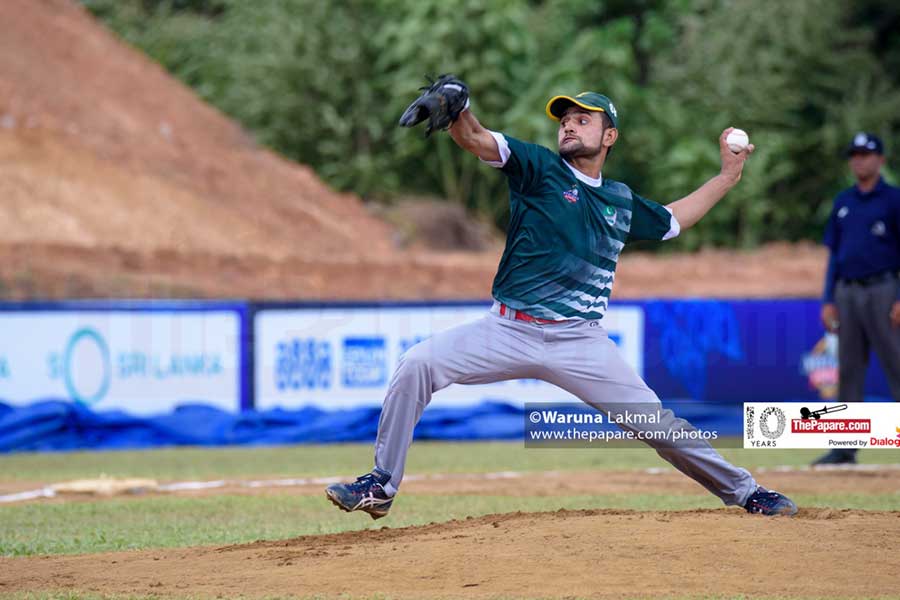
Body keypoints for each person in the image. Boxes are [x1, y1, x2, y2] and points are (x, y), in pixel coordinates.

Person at [326, 83, 798, 518]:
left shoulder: (620, 201)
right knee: (417, 364)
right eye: (565, 119)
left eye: (583, 119)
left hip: (580, 342)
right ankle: (382, 486)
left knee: (655, 423)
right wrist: (458, 108)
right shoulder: (538, 168)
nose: (569, 124)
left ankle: (746, 492)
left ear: (609, 135)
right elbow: (475, 140)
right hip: (507, 329)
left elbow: (674, 221)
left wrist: (727, 178)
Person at [814, 132, 900, 465]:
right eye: (855, 155)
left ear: (880, 159)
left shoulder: (893, 200)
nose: (859, 160)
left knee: (896, 365)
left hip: (884, 289)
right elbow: (834, 255)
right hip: (847, 292)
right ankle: (844, 448)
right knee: (849, 369)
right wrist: (827, 299)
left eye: (866, 154)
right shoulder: (843, 201)